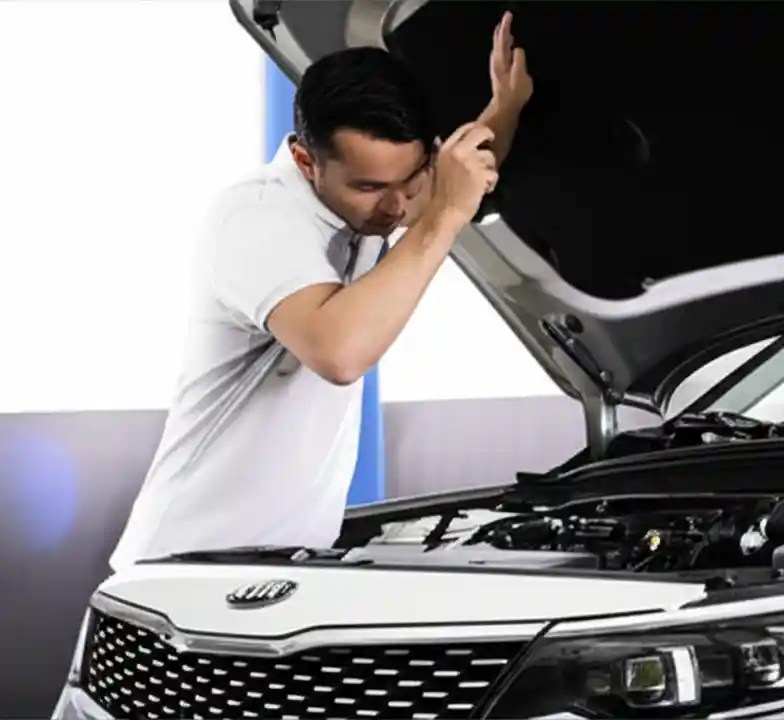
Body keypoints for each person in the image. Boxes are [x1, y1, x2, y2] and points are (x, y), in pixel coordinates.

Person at [107, 13, 533, 572]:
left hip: (283, 569)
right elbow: (340, 352)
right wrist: (447, 210)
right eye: (369, 187)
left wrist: (505, 108)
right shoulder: (255, 217)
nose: (398, 208)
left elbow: (451, 192)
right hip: (182, 576)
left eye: (411, 181)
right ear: (307, 163)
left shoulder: (372, 206)